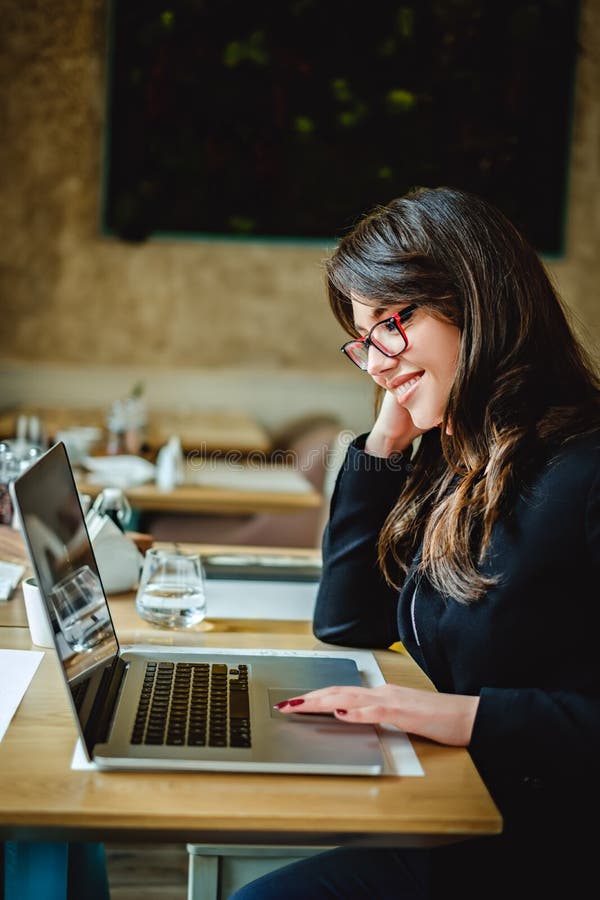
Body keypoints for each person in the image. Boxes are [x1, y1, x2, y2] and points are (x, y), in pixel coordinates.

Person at [229, 187, 600, 899]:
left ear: (473, 298)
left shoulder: (584, 469)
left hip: (550, 854)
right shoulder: (462, 462)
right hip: (461, 828)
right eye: (361, 342)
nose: (373, 363)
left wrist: (462, 715)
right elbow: (348, 621)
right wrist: (384, 442)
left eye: (390, 326)